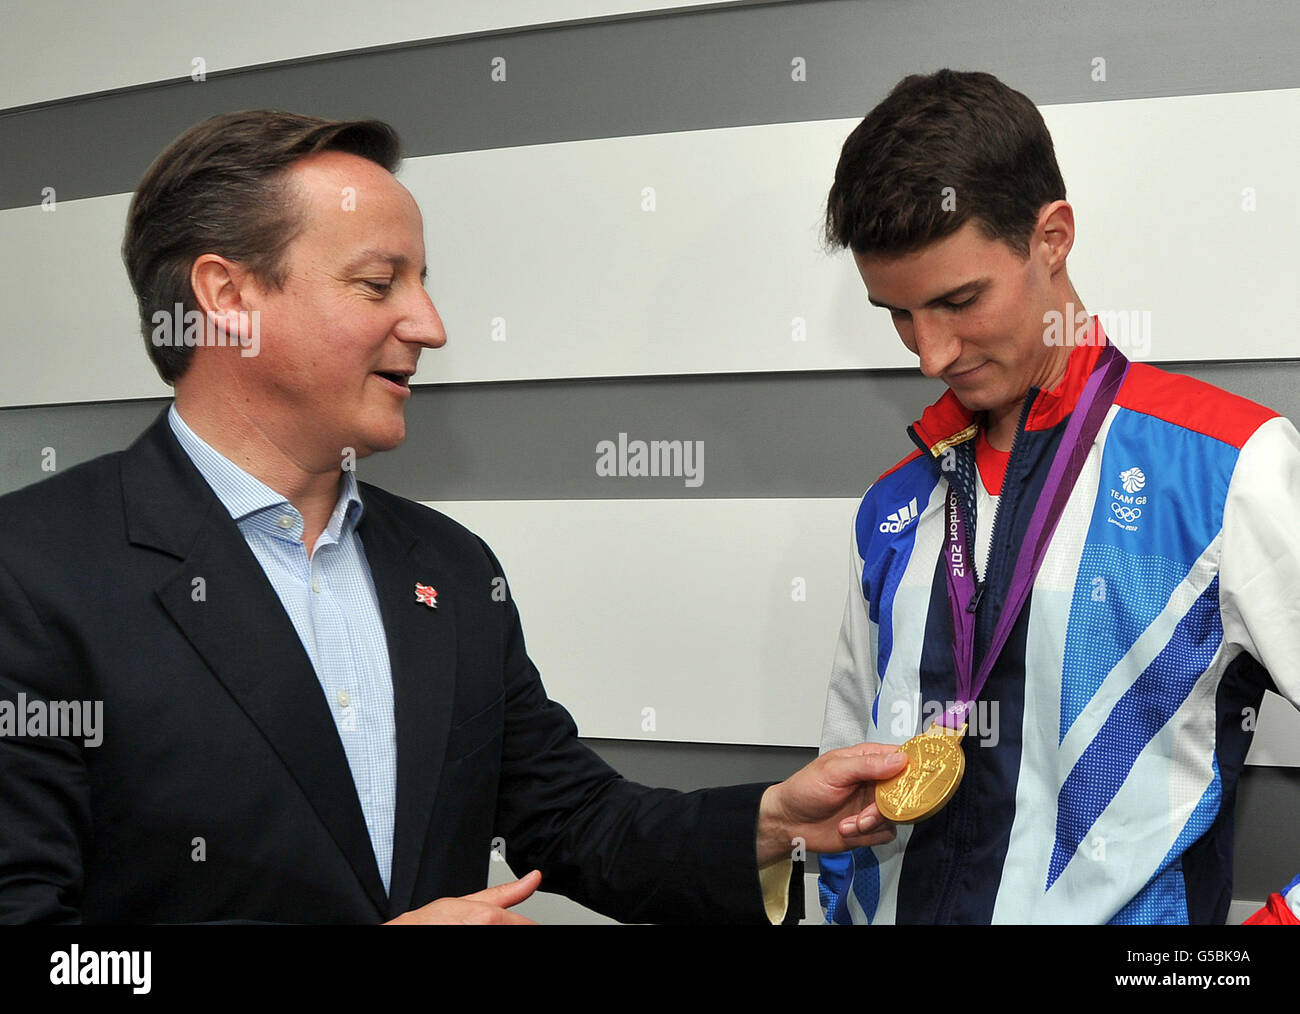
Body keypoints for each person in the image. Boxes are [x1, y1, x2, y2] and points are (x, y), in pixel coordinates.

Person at [0, 109, 907, 925]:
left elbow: (569, 820)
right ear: (229, 300)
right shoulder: (33, 574)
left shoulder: (450, 566)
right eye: (377, 283)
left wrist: (768, 823)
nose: (429, 324)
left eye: (421, 281)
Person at [817, 69, 1300, 924]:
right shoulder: (892, 509)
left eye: (959, 301)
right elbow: (844, 794)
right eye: (897, 314)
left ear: (1053, 238)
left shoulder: (1228, 469)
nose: (929, 354)